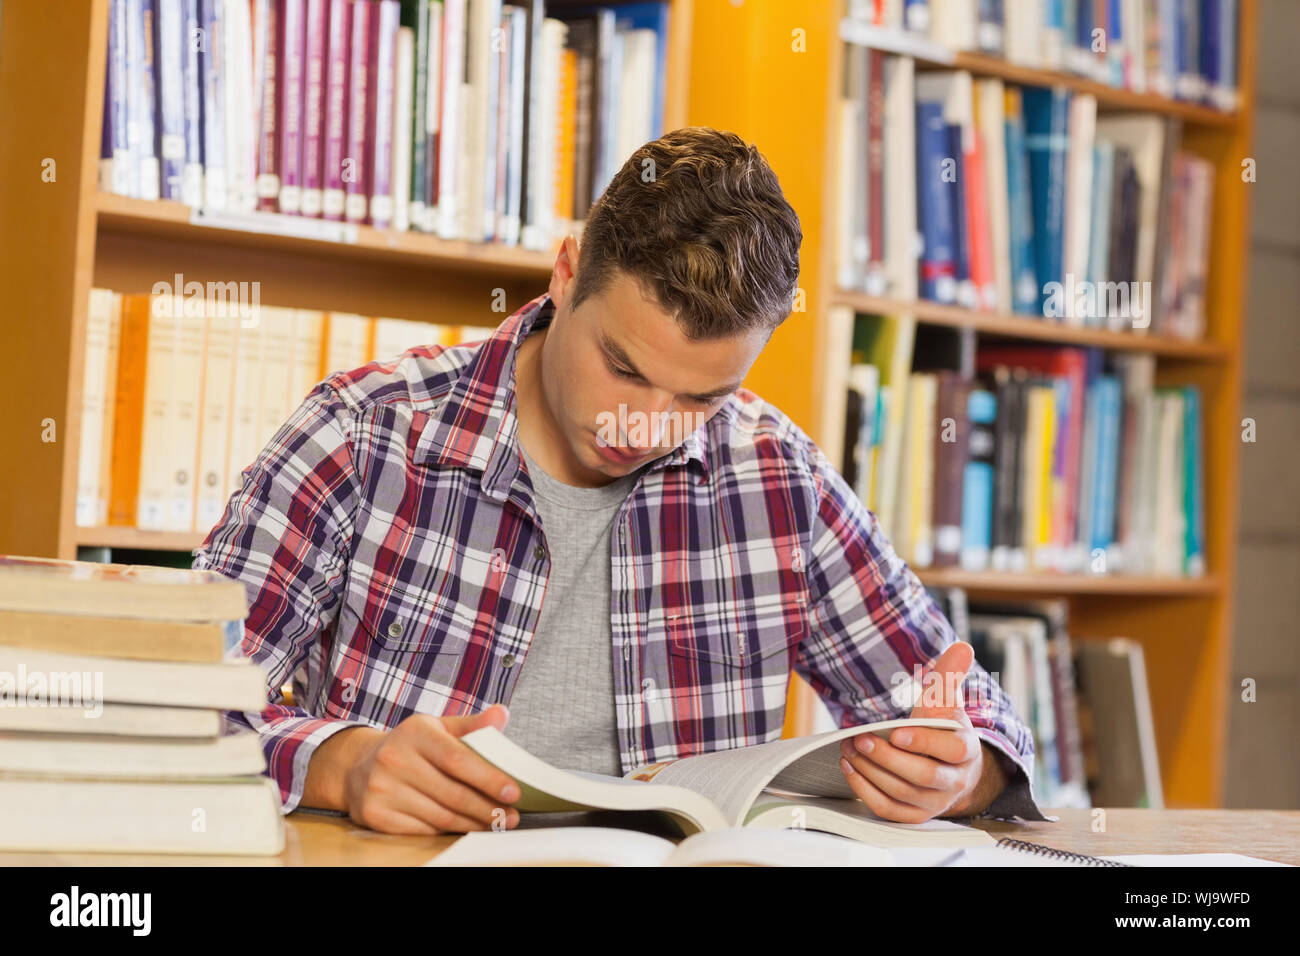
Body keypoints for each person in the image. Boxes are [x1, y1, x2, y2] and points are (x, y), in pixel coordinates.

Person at [194, 127, 1048, 835]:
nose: (648, 426)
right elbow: (177, 706)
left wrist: (959, 767)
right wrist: (343, 764)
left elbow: (965, 711)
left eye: (702, 397)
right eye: (624, 368)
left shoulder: (778, 477)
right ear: (565, 274)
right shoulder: (364, 433)